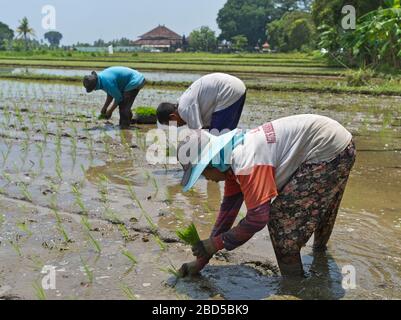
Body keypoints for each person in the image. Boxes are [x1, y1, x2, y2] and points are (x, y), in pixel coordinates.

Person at [177, 114, 356, 277]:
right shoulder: (231, 159)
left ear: (211, 163)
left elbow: (257, 218)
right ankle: (319, 253)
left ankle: (293, 285)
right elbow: (227, 214)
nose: (206, 178)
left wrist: (216, 243)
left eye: (202, 173)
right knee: (319, 203)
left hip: (328, 149)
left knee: (281, 219)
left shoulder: (245, 160)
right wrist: (201, 260)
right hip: (335, 142)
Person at [157, 73, 246, 132]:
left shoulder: (184, 109)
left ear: (172, 116)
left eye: (171, 124)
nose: (176, 127)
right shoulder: (183, 103)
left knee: (218, 136)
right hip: (237, 87)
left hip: (228, 90)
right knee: (226, 134)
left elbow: (199, 134)